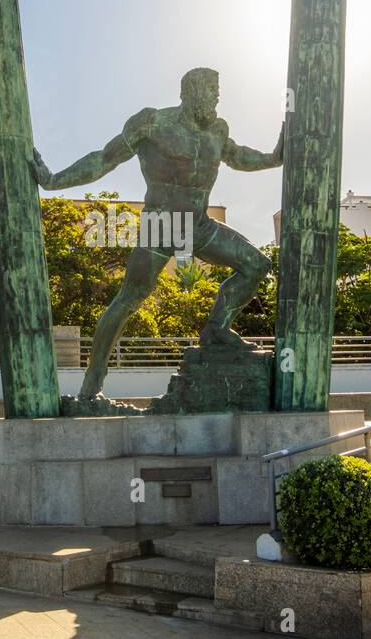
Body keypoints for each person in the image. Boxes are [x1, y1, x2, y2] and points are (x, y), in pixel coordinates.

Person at [32, 67, 283, 398]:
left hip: (199, 225)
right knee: (130, 298)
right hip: (160, 225)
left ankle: (216, 330)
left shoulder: (218, 131)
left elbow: (239, 157)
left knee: (256, 266)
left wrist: (274, 158)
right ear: (188, 92)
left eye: (217, 91)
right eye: (210, 90)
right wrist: (52, 181)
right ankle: (93, 381)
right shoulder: (151, 122)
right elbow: (103, 159)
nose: (216, 97)